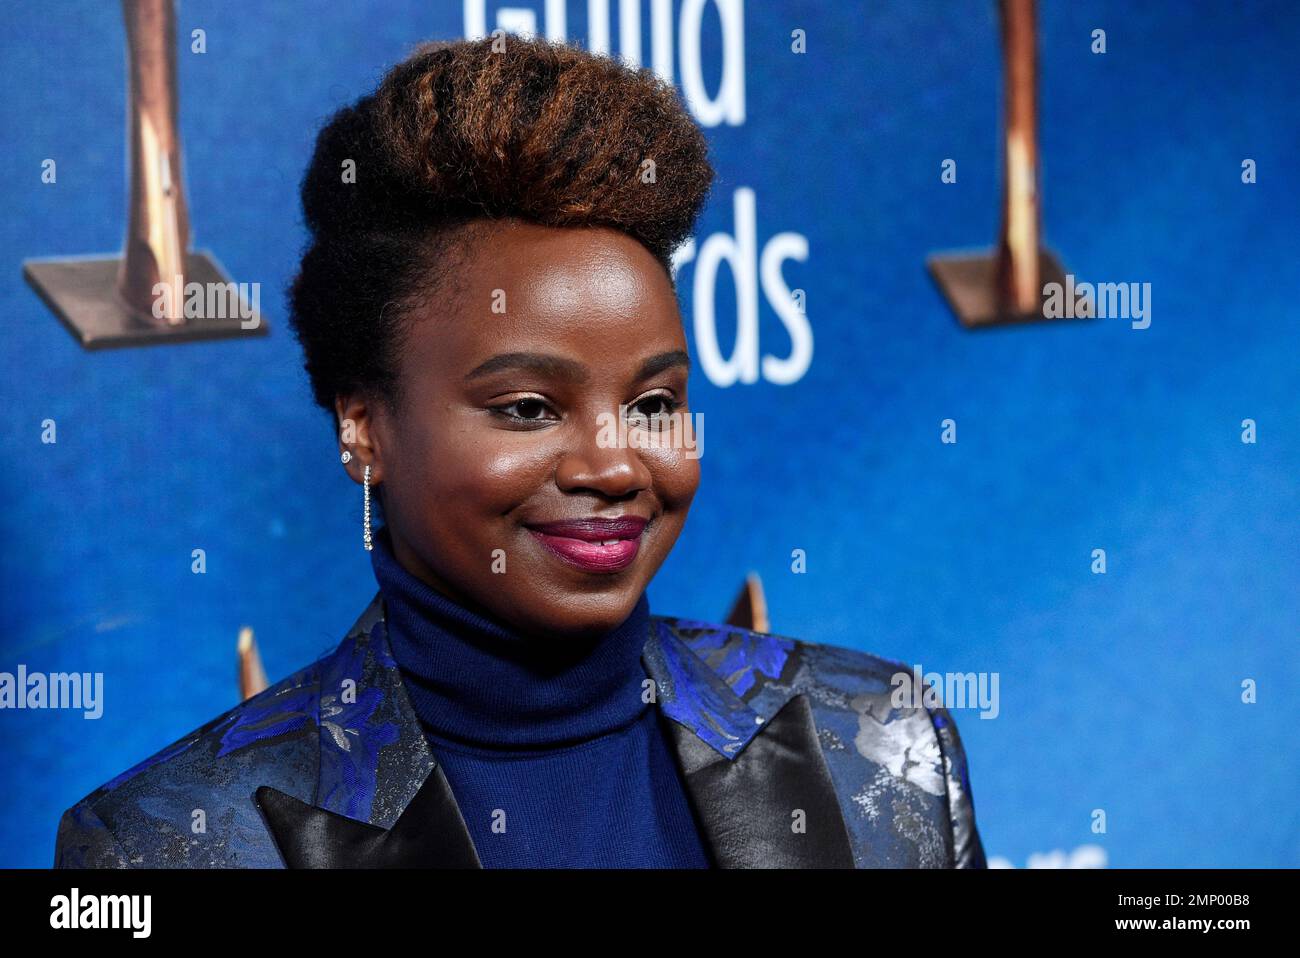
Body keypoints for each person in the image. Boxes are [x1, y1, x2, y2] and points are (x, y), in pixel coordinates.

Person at [54, 34, 986, 869]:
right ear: (363, 426)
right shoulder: (169, 847)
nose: (616, 467)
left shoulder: (882, 743)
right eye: (531, 407)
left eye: (654, 402)